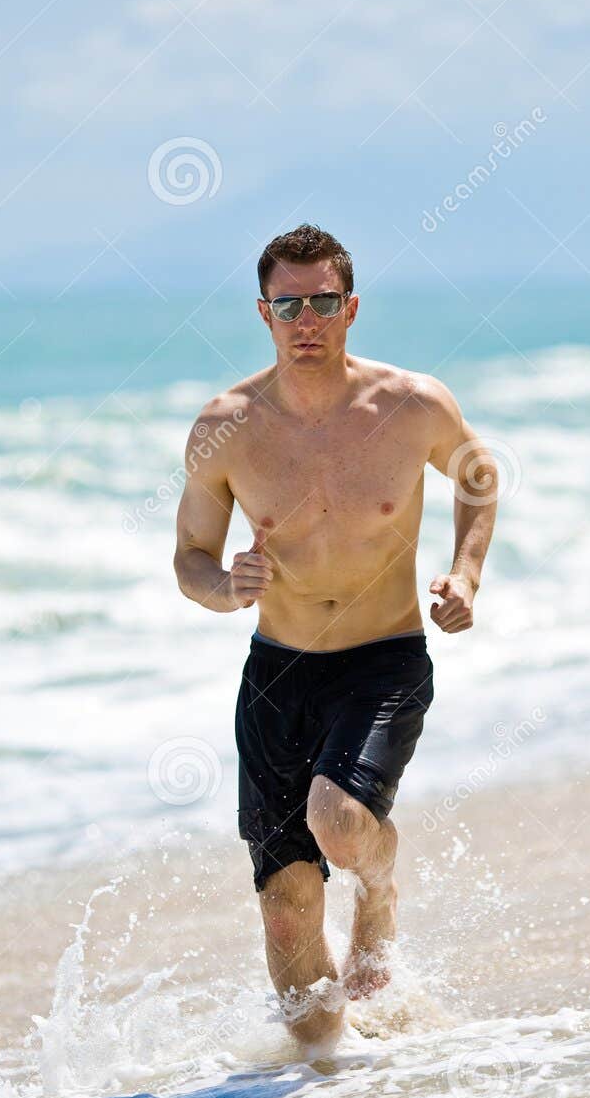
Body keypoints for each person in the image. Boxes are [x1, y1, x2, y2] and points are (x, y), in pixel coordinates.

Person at [174, 224, 497, 1047]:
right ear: (264, 312)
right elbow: (190, 560)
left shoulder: (410, 404)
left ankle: (378, 890)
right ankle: (323, 1078)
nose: (306, 318)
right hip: (275, 677)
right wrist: (224, 587)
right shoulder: (226, 425)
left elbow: (478, 477)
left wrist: (464, 573)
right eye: (289, 304)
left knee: (337, 821)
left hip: (381, 663)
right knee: (286, 913)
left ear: (350, 307)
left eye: (323, 301)